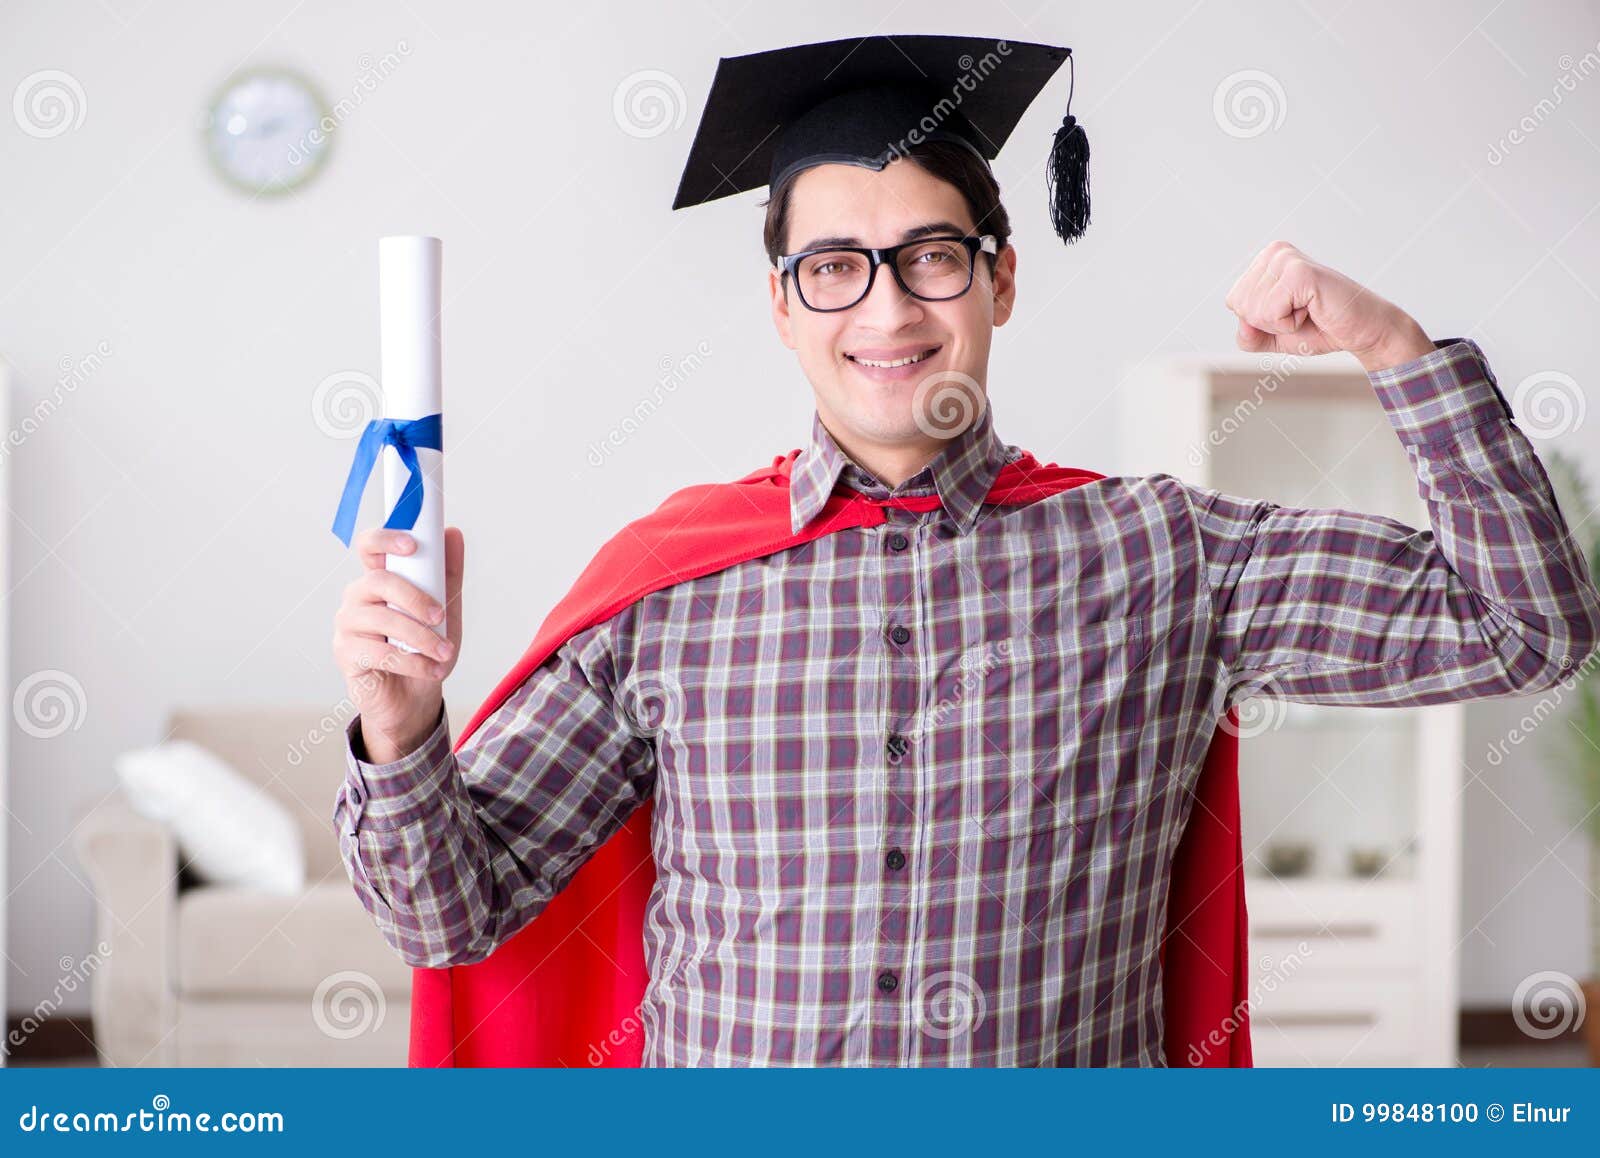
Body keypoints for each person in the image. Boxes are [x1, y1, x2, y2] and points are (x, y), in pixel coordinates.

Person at [329, 34, 1600, 1066]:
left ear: (999, 280)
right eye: (832, 268)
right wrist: (398, 728)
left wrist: (1393, 348)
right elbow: (449, 914)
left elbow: (1526, 626)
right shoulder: (670, 591)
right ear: (780, 303)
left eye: (929, 259)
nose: (885, 310)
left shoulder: (1164, 553)